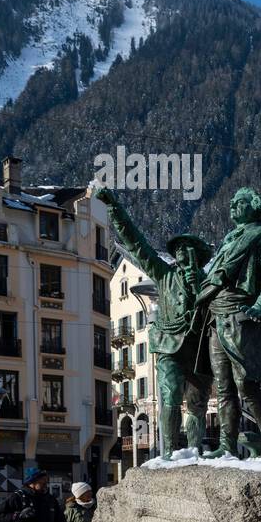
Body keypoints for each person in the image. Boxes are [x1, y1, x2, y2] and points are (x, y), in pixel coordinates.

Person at [95, 186, 214, 459]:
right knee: (170, 397)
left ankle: (195, 451)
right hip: (170, 344)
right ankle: (170, 453)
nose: (183, 251)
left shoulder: (209, 282)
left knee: (197, 404)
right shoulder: (164, 275)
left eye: (189, 248)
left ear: (198, 255)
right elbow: (137, 244)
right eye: (180, 248)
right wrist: (114, 208)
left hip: (199, 348)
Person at [193, 187, 261, 457]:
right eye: (232, 202)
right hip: (217, 317)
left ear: (255, 205)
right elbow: (212, 280)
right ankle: (226, 446)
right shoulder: (228, 241)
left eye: (241, 201)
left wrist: (260, 305)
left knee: (246, 384)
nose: (233, 205)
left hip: (242, 316)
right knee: (223, 388)